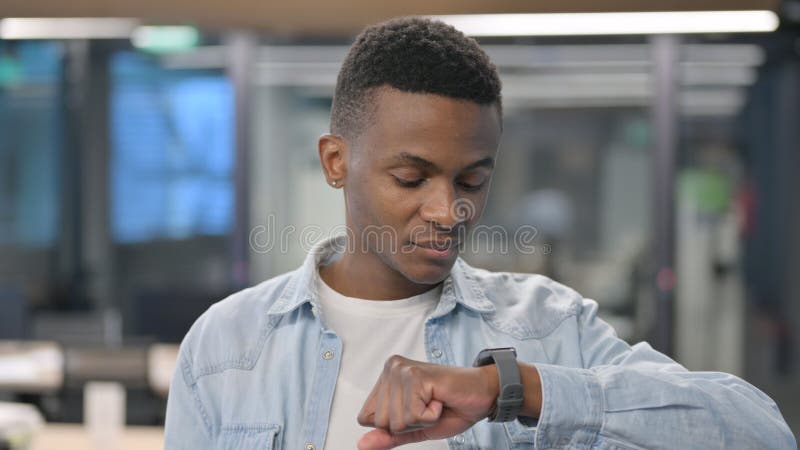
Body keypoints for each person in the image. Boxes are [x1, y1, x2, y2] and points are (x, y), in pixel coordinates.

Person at [163, 17, 796, 450]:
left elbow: (760, 431)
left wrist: (513, 388)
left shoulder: (548, 327)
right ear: (336, 162)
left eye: (470, 182)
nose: (448, 211)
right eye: (411, 178)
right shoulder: (226, 347)